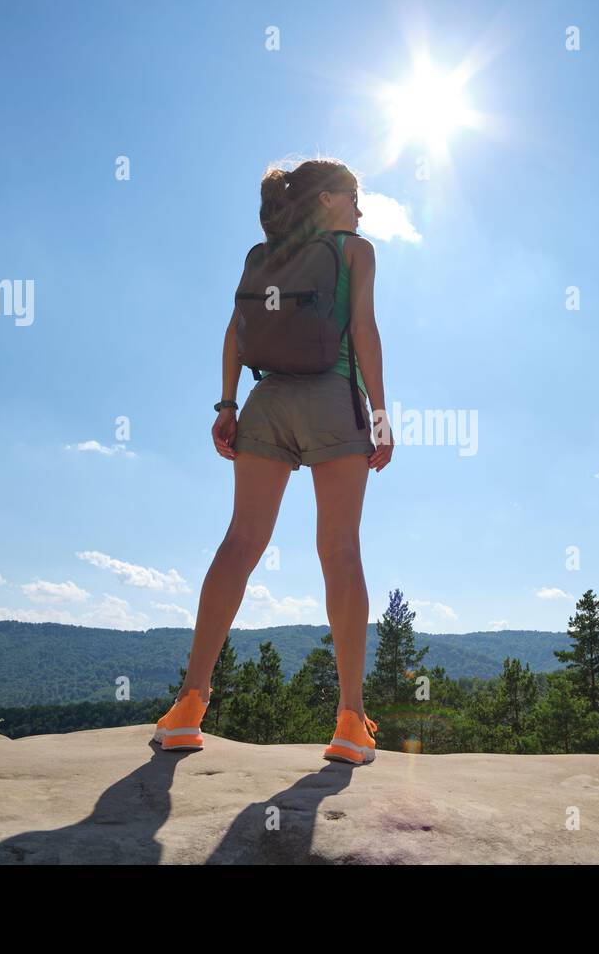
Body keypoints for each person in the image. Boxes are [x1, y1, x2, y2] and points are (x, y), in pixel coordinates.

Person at [153, 158, 393, 765]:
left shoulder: (263, 257)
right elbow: (364, 331)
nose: (361, 209)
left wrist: (228, 403)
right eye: (353, 196)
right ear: (326, 201)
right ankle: (348, 721)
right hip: (333, 401)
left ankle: (187, 707)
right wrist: (382, 416)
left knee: (240, 543)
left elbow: (235, 330)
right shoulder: (354, 252)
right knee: (339, 551)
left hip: (265, 403)